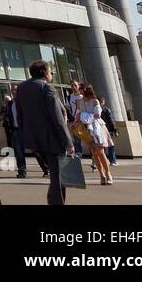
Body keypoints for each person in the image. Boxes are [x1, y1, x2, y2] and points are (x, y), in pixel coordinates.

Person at [15, 59, 75, 205]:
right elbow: (57, 118)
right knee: (59, 176)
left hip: (34, 139)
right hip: (52, 138)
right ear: (45, 73)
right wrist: (68, 142)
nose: (52, 74)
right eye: (51, 71)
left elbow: (19, 114)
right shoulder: (46, 88)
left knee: (56, 176)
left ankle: (54, 200)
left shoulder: (22, 87)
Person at [77, 85, 114, 185]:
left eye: (81, 90)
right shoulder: (80, 101)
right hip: (86, 128)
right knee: (94, 153)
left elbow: (97, 115)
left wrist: (86, 116)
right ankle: (101, 174)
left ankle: (108, 173)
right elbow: (79, 113)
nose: (80, 93)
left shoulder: (95, 101)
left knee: (100, 152)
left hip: (96, 128)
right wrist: (77, 122)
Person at [67, 79, 84, 155]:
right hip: (74, 120)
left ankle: (94, 158)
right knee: (76, 140)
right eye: (72, 86)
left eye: (75, 85)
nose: (74, 87)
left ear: (78, 86)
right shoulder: (69, 98)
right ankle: (78, 155)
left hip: (83, 120)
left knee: (89, 139)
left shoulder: (82, 96)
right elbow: (68, 109)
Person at [99, 97, 118, 167]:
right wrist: (115, 130)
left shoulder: (103, 110)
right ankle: (112, 160)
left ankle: (108, 160)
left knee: (105, 146)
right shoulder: (106, 110)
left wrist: (114, 130)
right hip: (106, 130)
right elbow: (111, 120)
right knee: (110, 146)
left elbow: (111, 120)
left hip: (104, 130)